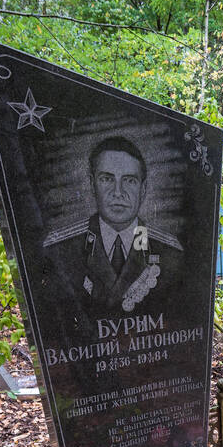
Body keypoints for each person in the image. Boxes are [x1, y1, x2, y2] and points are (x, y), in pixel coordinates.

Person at [42, 135, 183, 317]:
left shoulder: (170, 252)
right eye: (107, 179)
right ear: (93, 185)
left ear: (143, 188)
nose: (118, 192)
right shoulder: (60, 250)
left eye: (129, 180)